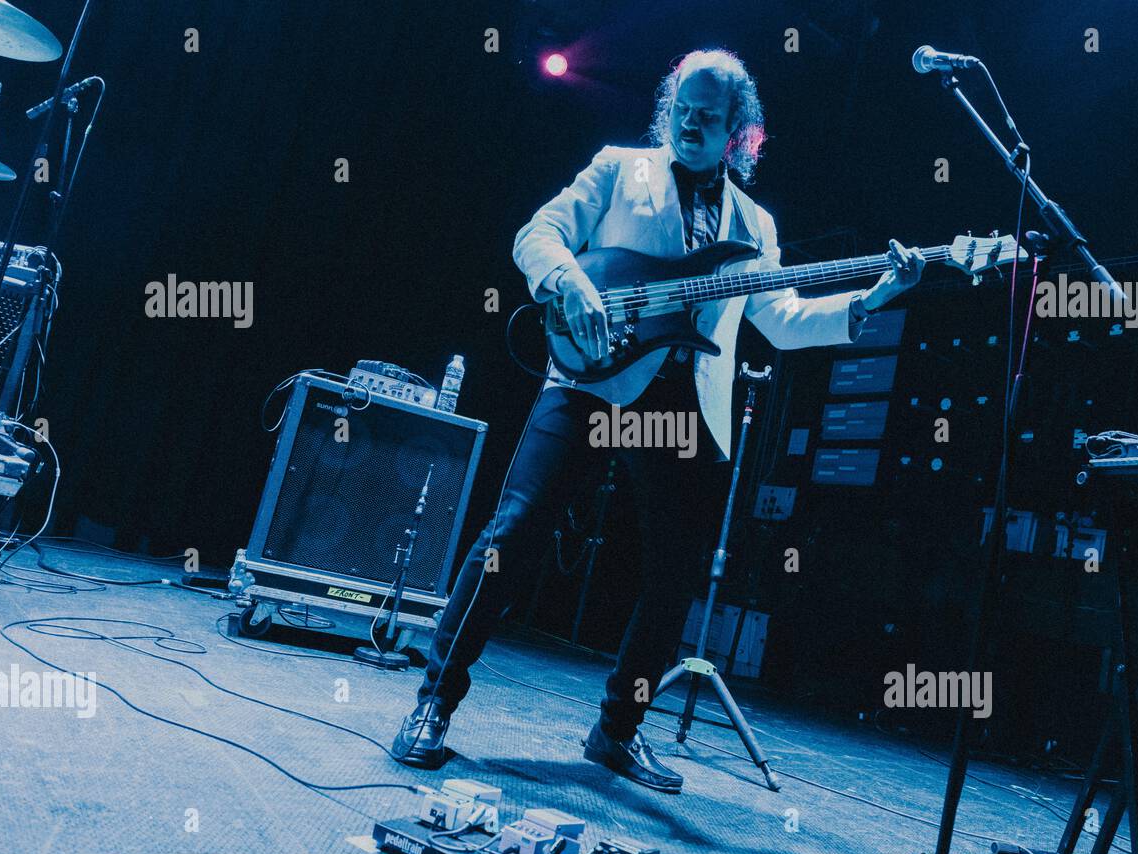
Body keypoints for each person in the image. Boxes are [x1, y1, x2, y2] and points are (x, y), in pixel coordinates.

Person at [391, 49, 925, 793]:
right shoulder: (618, 169)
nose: (692, 123)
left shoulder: (755, 225)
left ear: (739, 129)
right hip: (591, 380)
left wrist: (874, 297)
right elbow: (536, 235)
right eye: (683, 109)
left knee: (673, 577)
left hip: (683, 404)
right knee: (512, 534)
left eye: (709, 115)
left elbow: (783, 319)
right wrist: (570, 280)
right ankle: (433, 703)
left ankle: (617, 730)